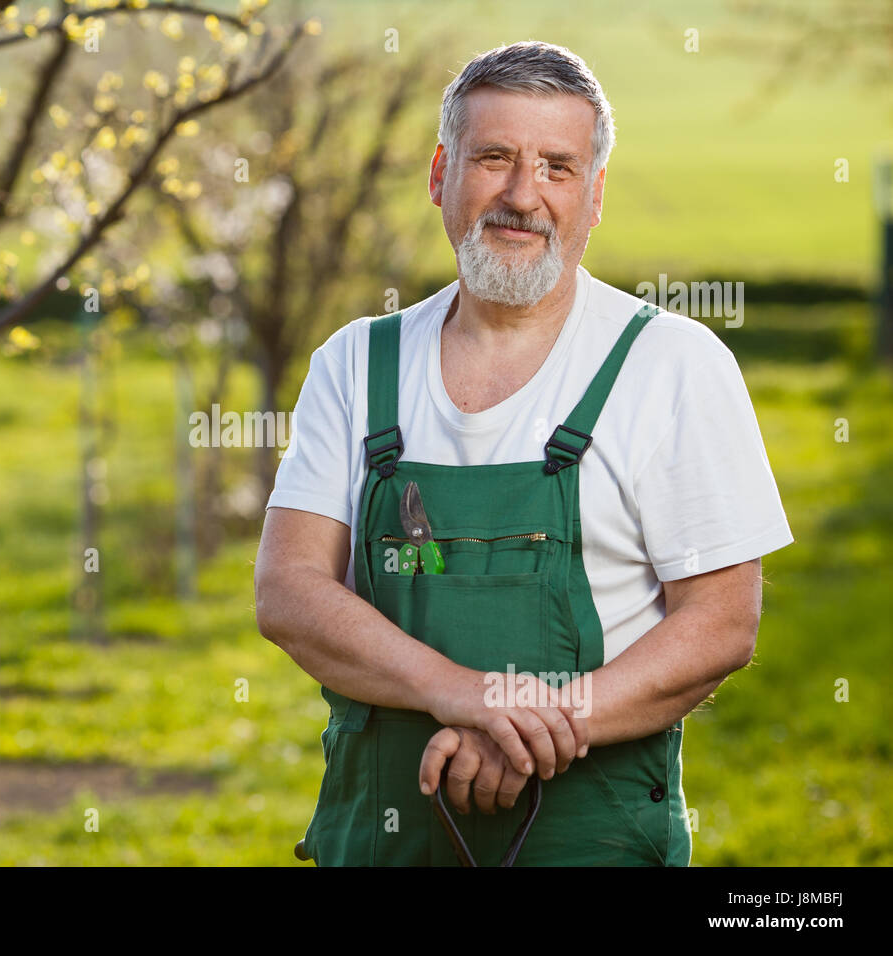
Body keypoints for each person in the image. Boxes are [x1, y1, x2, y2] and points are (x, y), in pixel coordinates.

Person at [252, 40, 793, 866]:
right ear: (441, 173)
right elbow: (289, 592)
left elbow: (721, 624)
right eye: (494, 158)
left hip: (595, 842)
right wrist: (466, 697)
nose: (521, 196)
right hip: (380, 839)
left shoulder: (671, 365)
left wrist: (529, 732)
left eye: (557, 167)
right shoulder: (357, 362)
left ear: (595, 193)